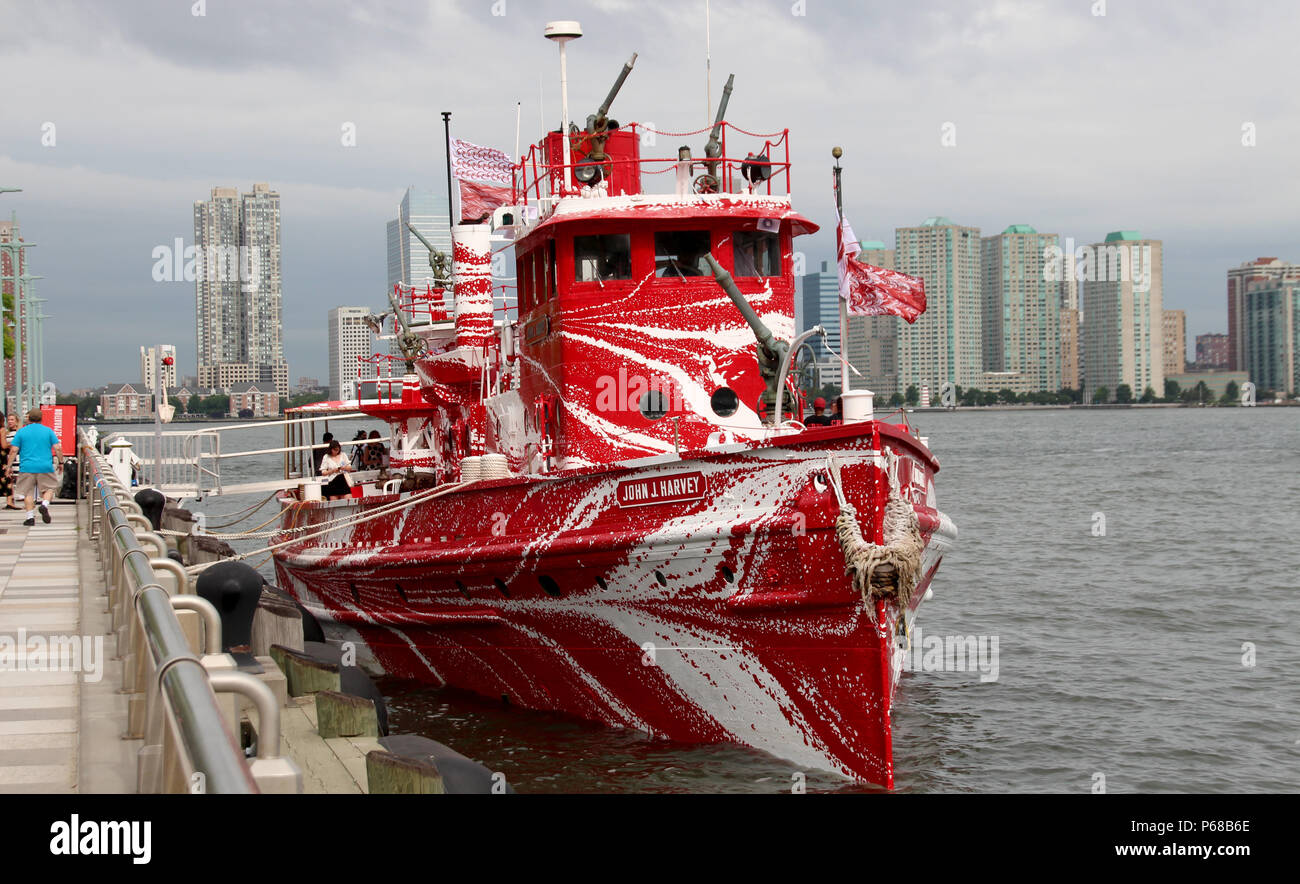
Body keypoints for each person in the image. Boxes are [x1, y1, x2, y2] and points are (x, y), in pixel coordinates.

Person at [6, 408, 62, 526]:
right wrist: (61, 462)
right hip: (45, 466)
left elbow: (14, 450)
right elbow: (57, 448)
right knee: (50, 488)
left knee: (28, 492)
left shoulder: (21, 432)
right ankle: (44, 504)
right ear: (41, 419)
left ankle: (30, 518)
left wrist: (8, 466)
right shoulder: (48, 431)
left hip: (27, 466)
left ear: (29, 418)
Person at [3, 412, 18, 510]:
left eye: (12, 420)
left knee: (19, 478)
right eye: (8, 420)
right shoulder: (6, 433)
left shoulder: (19, 432)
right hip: (8, 457)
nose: (10, 422)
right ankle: (10, 501)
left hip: (18, 457)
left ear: (17, 421)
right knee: (10, 479)